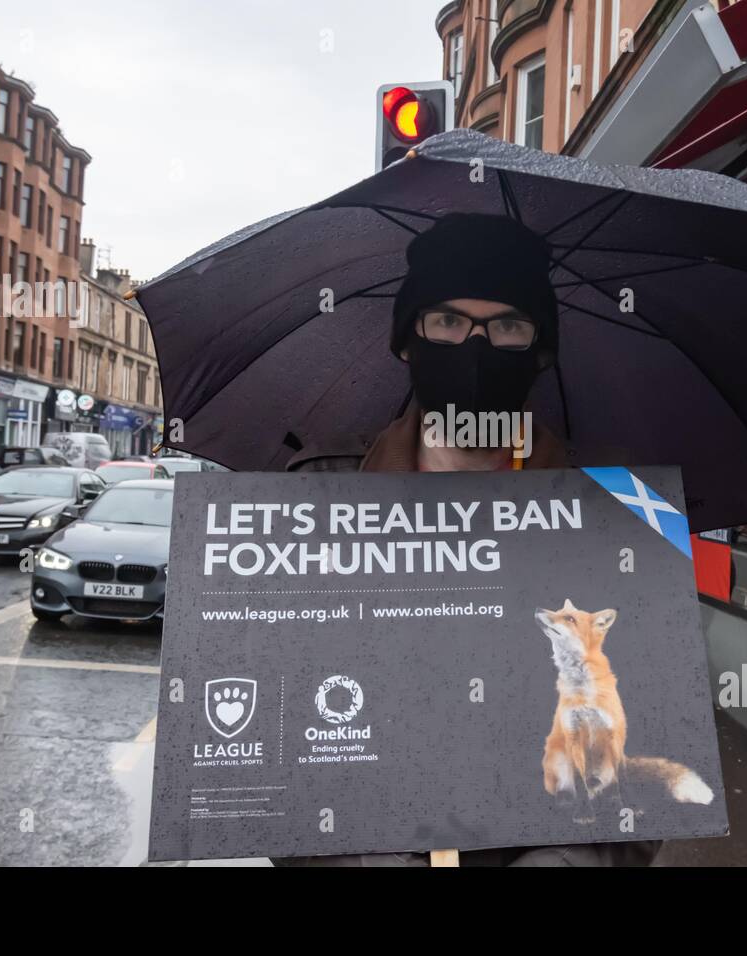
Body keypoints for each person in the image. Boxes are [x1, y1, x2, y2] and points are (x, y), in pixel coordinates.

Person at [277, 213, 661, 867]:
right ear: (408, 340)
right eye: (447, 322)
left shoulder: (616, 519)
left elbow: (641, 753)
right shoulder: (319, 494)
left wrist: (565, 861)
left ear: (539, 349)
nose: (474, 347)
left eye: (506, 326)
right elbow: (275, 744)